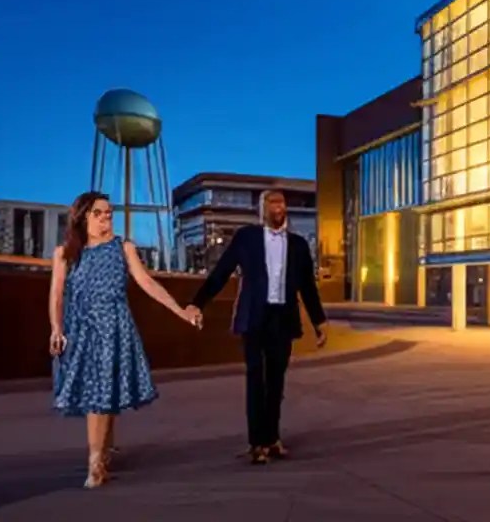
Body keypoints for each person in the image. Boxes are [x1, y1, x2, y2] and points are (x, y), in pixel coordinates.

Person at [48, 191, 201, 488]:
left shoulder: (123, 247)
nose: (106, 217)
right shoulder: (65, 253)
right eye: (99, 213)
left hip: (113, 328)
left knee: (103, 392)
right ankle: (101, 454)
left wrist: (180, 311)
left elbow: (147, 283)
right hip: (79, 329)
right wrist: (56, 328)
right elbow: (56, 295)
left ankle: (95, 463)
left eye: (109, 212)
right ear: (83, 217)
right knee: (99, 393)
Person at [185, 188, 327, 465]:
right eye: (272, 202)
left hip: (282, 319)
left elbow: (308, 287)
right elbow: (221, 273)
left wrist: (319, 321)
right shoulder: (246, 238)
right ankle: (256, 443)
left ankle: (272, 439)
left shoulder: (298, 245)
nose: (279, 206)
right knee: (255, 378)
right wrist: (197, 303)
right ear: (261, 209)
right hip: (253, 317)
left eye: (282, 202)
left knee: (276, 381)